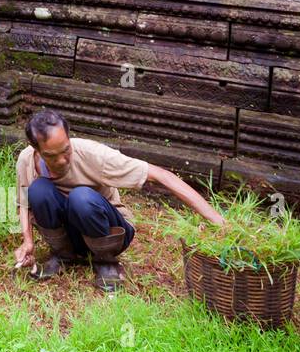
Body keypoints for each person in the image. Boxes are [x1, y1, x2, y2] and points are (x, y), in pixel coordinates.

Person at [13, 108, 226, 292]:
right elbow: (25, 204)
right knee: (38, 190)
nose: (61, 160)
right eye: (52, 155)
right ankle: (63, 256)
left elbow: (161, 175)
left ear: (70, 139)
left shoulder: (94, 155)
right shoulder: (26, 160)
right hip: (72, 233)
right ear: (37, 150)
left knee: (81, 197)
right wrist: (28, 241)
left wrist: (218, 221)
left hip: (109, 230)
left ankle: (106, 262)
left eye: (66, 150)